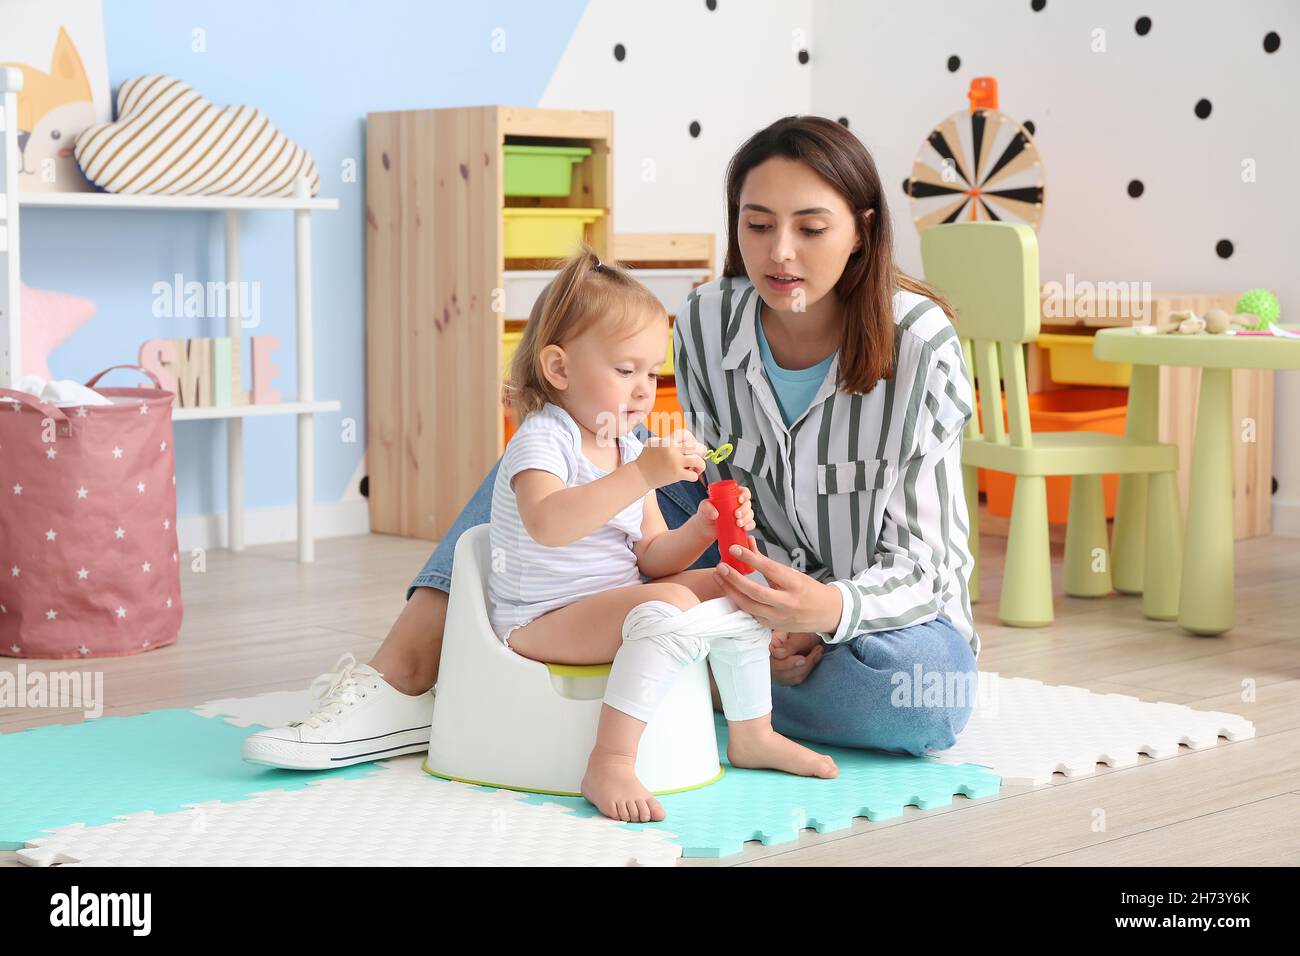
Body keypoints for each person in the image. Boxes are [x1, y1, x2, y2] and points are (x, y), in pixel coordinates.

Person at [243, 114, 980, 787]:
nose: (779, 253)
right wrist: (743, 580)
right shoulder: (704, 320)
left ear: (863, 229)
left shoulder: (919, 346)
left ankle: (678, 673)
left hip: (870, 611)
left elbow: (928, 565)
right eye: (757, 225)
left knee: (921, 699)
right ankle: (406, 673)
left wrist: (823, 609)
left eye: (811, 229)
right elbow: (711, 487)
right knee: (557, 446)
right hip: (745, 574)